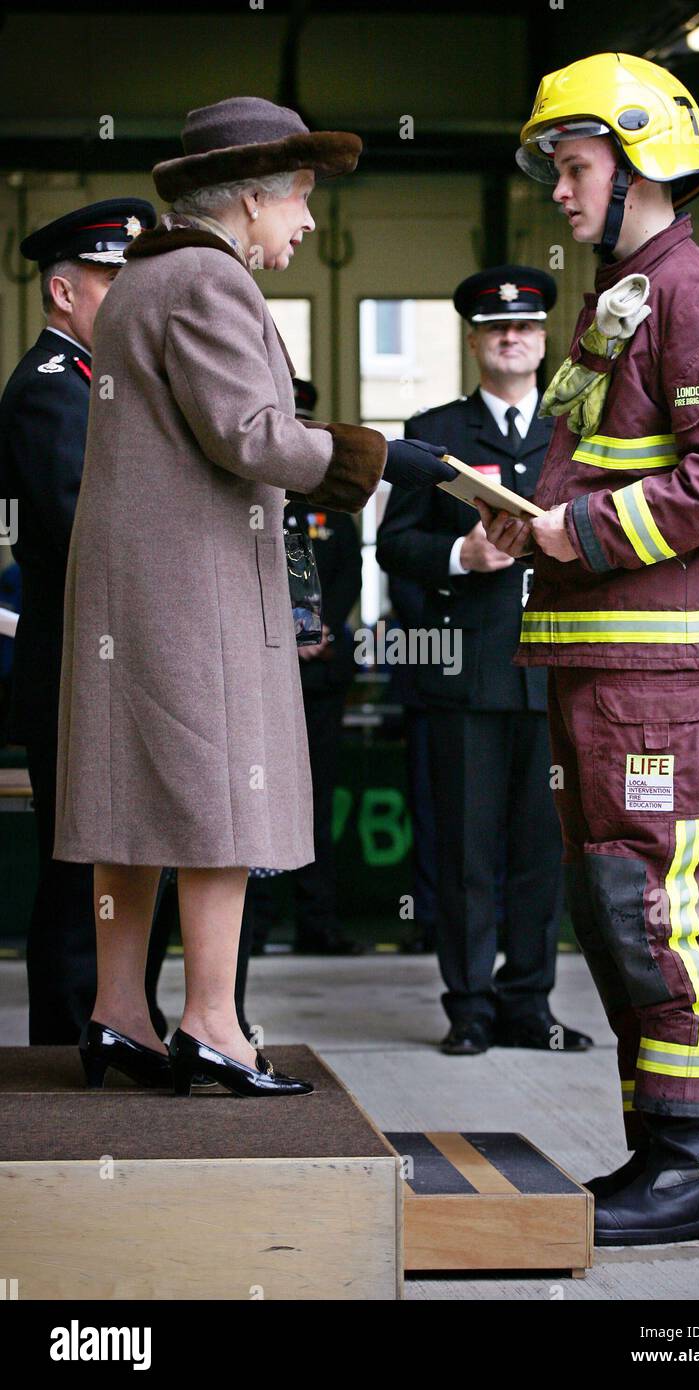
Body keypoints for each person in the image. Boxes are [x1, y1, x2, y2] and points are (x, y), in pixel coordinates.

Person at [52, 97, 453, 1098]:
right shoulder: (209, 281)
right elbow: (253, 434)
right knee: (222, 800)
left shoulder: (145, 278)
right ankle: (213, 1024)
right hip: (197, 592)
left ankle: (118, 1012)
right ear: (252, 196)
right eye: (300, 199)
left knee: (131, 799)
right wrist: (381, 454)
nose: (308, 222)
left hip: (138, 586)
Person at [477, 54, 699, 1243]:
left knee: (659, 901)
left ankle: (697, 1165)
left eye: (573, 166)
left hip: (658, 670)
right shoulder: (626, 293)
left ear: (640, 161)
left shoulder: (689, 291)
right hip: (604, 662)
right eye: (557, 170)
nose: (557, 191)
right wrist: (534, 520)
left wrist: (582, 531)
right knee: (616, 902)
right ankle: (659, 1149)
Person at [377, 266, 592, 1056]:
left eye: (527, 327)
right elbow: (394, 544)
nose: (512, 337)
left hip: (553, 673)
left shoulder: (577, 430)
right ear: (474, 339)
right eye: (497, 327)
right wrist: (461, 555)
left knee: (542, 854)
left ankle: (528, 1005)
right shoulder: (434, 432)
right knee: (464, 854)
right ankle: (468, 1006)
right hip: (464, 676)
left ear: (543, 341)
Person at [0, 199, 157, 1043]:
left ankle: (121, 1023)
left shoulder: (107, 382)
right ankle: (68, 1041)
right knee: (79, 867)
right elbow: (80, 524)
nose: (126, 297)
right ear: (63, 291)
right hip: (75, 666)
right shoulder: (52, 388)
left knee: (123, 857)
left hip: (111, 664)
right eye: (109, 280)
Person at [286, 377, 366, 955]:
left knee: (316, 804)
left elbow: (349, 578)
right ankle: (253, 928)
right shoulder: (245, 496)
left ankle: (318, 924)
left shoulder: (332, 507)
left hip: (320, 680)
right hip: (262, 675)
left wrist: (315, 630)